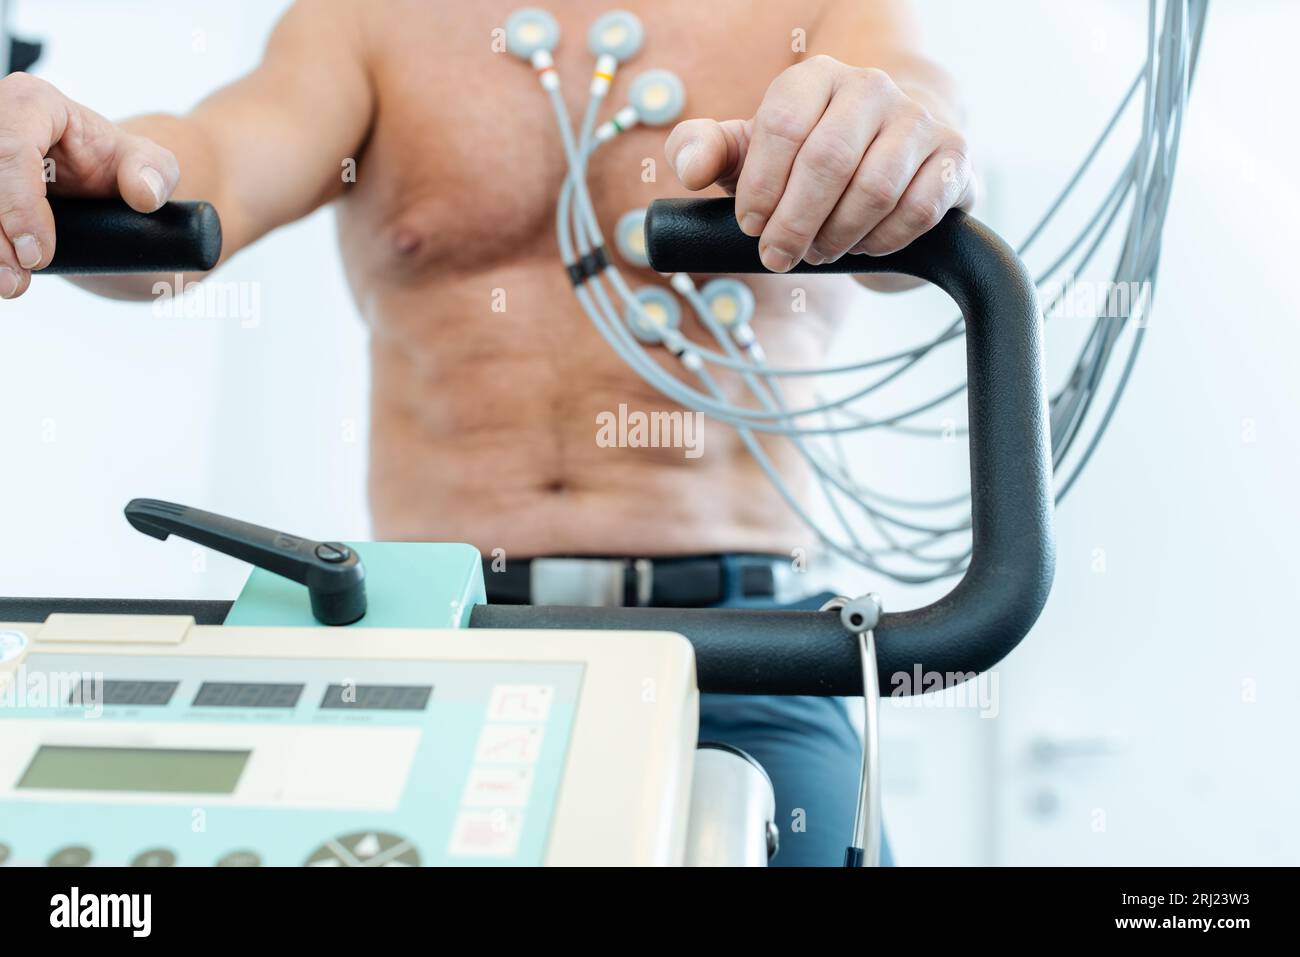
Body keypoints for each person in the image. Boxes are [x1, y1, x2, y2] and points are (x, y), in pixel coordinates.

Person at [0, 0, 972, 865]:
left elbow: (913, 159)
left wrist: (908, 147)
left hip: (746, 651)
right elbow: (188, 190)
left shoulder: (823, 14)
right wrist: (78, 167)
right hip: (442, 638)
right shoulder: (365, 21)